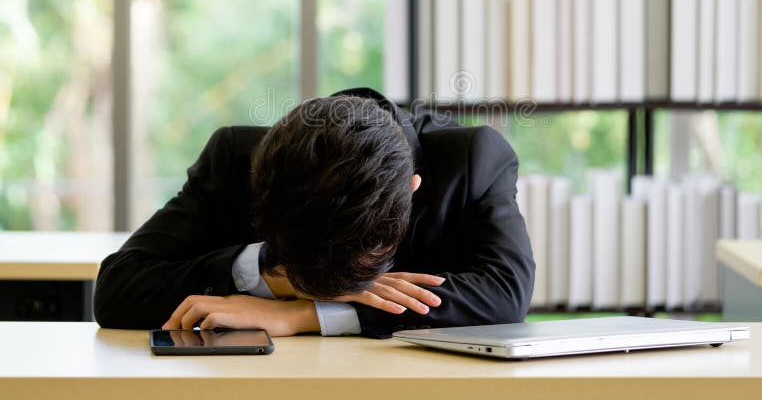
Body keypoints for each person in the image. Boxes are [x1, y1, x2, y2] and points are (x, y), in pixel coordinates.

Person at [94, 87, 535, 338]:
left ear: (411, 191)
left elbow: (504, 294)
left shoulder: (473, 160)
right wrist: (267, 274)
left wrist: (301, 314)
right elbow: (116, 289)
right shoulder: (236, 160)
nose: (330, 291)